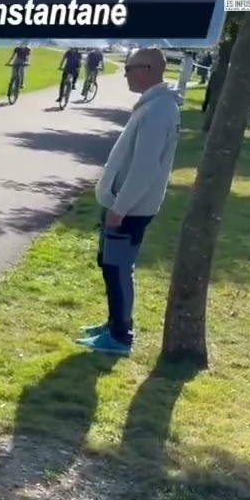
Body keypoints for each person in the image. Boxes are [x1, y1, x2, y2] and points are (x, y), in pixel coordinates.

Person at [77, 48, 180, 357]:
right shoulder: (154, 105)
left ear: (146, 68)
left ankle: (121, 337)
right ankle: (114, 324)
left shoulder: (159, 110)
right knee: (111, 266)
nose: (124, 74)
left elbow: (145, 168)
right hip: (125, 203)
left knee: (118, 269)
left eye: (129, 68)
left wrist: (120, 207)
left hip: (131, 207)